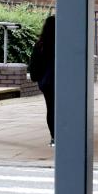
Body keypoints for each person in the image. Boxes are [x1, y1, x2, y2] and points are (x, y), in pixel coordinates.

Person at [32, 14, 56, 145]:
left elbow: (34, 65)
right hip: (60, 82)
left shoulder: (40, 44)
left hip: (46, 83)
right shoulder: (62, 43)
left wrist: (38, 78)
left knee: (51, 108)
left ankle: (54, 137)